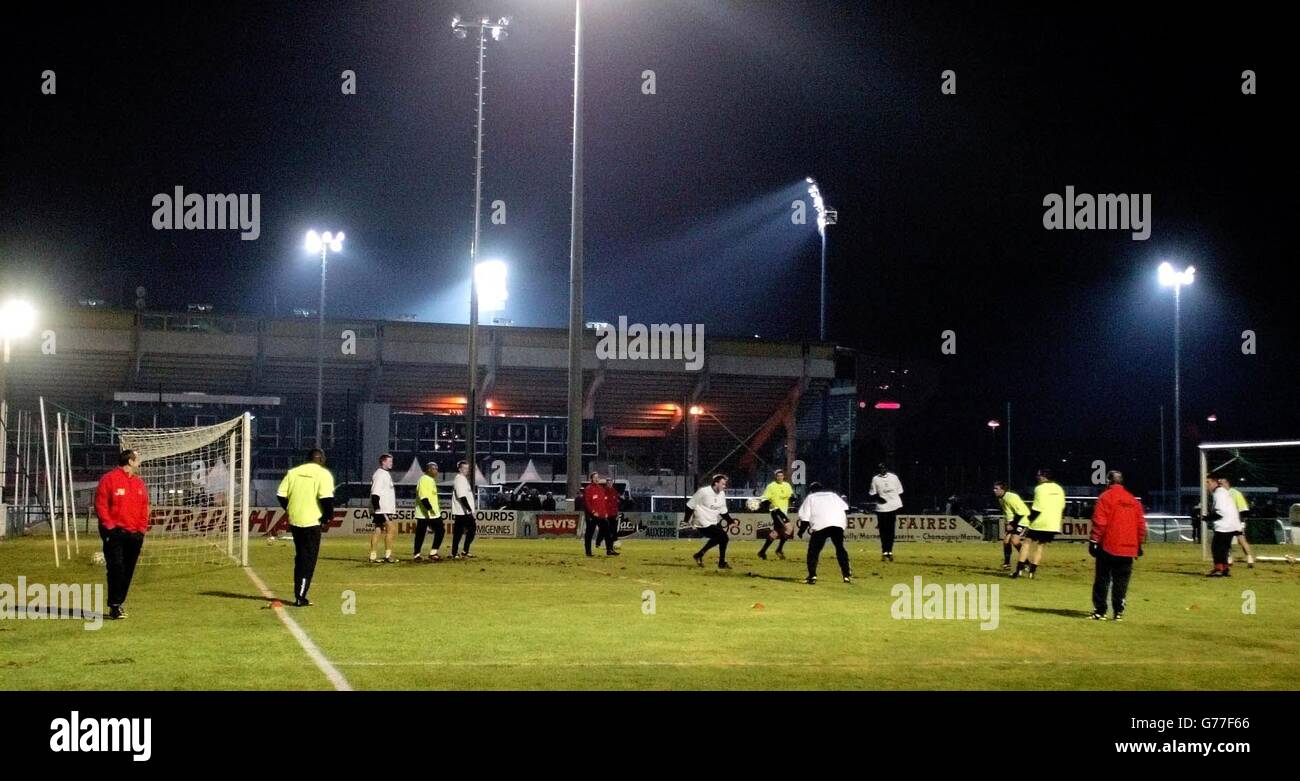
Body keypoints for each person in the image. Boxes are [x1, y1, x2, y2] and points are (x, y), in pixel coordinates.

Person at [94, 449, 150, 620]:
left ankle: (118, 603)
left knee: (128, 570)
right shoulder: (109, 479)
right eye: (137, 459)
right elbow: (101, 505)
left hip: (135, 534)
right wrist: (110, 527)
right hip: (115, 533)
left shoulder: (139, 483)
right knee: (116, 567)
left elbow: (144, 507)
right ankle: (114, 605)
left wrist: (141, 529)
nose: (139, 462)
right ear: (130, 462)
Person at [276, 449, 336, 607]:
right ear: (322, 459)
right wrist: (327, 517)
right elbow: (326, 499)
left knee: (300, 557)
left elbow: (281, 494)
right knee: (308, 560)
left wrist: (289, 509)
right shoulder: (323, 474)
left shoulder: (293, 472)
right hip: (312, 522)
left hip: (295, 520)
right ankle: (300, 596)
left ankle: (299, 593)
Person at [1089, 470, 1147, 621]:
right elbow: (1141, 525)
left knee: (1102, 578)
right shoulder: (1133, 500)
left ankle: (1100, 611)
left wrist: (1094, 540)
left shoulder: (1105, 497)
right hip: (1128, 547)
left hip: (1109, 545)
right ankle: (1118, 611)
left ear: (1109, 481)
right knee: (1121, 581)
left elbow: (1100, 521)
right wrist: (1139, 544)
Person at [1011, 468, 1064, 579]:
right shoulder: (1059, 489)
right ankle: (1032, 572)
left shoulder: (1039, 488)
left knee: (1026, 543)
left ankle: (1019, 570)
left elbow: (1037, 508)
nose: (1037, 477)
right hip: (1053, 523)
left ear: (1043, 476)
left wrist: (1029, 519)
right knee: (1040, 546)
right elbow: (1062, 506)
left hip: (1039, 522)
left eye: (1038, 475)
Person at [799, 482, 853, 585]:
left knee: (813, 551)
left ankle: (812, 576)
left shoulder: (811, 497)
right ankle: (846, 575)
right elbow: (846, 508)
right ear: (822, 489)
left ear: (811, 490)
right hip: (838, 523)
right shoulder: (833, 495)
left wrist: (801, 531)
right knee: (840, 548)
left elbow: (805, 518)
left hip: (821, 525)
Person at [686, 473, 734, 569]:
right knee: (723, 537)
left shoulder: (722, 494)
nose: (725, 486)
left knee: (722, 539)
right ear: (716, 483)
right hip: (701, 522)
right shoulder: (703, 491)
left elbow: (723, 510)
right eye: (723, 484)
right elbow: (690, 505)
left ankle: (700, 555)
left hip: (712, 522)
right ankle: (721, 563)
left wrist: (731, 521)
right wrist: (686, 521)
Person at [1205, 474, 1242, 577]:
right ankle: (1225, 569)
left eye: (1208, 482)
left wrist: (1207, 518)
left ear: (1214, 482)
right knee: (1224, 548)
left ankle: (1219, 569)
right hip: (1231, 524)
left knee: (1216, 548)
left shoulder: (1218, 493)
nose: (1206, 485)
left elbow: (1220, 512)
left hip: (1225, 525)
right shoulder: (1223, 492)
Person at [757, 468, 795, 560]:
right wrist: (770, 505)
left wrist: (793, 499)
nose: (780, 477)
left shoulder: (787, 485)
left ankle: (762, 552)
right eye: (778, 476)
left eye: (781, 475)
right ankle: (779, 549)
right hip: (776, 511)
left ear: (783, 476)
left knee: (776, 532)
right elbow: (764, 498)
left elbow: (791, 496)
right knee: (789, 528)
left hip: (784, 512)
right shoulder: (771, 486)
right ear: (775, 477)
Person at [1218, 477, 1255, 568]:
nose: (1220, 486)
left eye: (1221, 484)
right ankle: (1229, 558)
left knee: (1241, 540)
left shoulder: (1235, 493)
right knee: (1226, 541)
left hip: (1236, 522)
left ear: (1227, 483)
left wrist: (1242, 521)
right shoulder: (1220, 494)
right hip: (1226, 522)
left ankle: (1249, 558)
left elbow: (1243, 508)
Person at [869, 464, 904, 561]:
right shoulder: (875, 479)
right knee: (883, 530)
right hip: (881, 507)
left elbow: (900, 491)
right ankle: (884, 551)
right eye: (880, 468)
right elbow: (873, 493)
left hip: (893, 506)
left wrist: (892, 499)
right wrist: (880, 498)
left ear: (886, 468)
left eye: (883, 468)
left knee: (891, 529)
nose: (882, 470)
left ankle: (890, 551)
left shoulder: (894, 477)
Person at [368, 453, 398, 563]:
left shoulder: (384, 474)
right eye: (389, 461)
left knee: (378, 530)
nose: (391, 463)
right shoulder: (380, 474)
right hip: (382, 509)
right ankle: (388, 555)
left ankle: (373, 556)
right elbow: (375, 492)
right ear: (383, 462)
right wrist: (377, 508)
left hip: (383, 508)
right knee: (391, 529)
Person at [993, 480, 1029, 570]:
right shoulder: (1001, 498)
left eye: (996, 488)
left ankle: (1026, 562)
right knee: (1006, 541)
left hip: (1022, 520)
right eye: (994, 488)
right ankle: (1007, 563)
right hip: (1014, 521)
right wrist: (1009, 522)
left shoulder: (1010, 497)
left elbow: (1021, 512)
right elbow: (1009, 512)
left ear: (1003, 489)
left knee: (1015, 540)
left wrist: (1012, 524)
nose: (994, 490)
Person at [412, 462, 443, 562]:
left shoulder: (431, 480)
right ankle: (418, 554)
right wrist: (429, 509)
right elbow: (423, 497)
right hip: (425, 512)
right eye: (435, 469)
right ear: (429, 469)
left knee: (439, 530)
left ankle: (432, 552)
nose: (437, 471)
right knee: (421, 533)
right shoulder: (424, 480)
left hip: (432, 512)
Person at [582, 471, 618, 557]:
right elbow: (587, 502)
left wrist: (605, 513)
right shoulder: (588, 489)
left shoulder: (601, 489)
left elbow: (603, 503)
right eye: (595, 477)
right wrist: (593, 512)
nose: (597, 479)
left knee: (608, 532)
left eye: (597, 477)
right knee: (589, 533)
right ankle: (588, 552)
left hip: (601, 515)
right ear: (591, 479)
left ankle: (609, 550)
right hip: (592, 515)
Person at [450, 460, 477, 559]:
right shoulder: (460, 479)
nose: (466, 470)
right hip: (462, 511)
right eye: (464, 468)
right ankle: (458, 552)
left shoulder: (463, 479)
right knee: (467, 530)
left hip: (463, 511)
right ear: (460, 469)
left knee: (462, 531)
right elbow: (462, 496)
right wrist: (469, 509)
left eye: (467, 468)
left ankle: (461, 551)